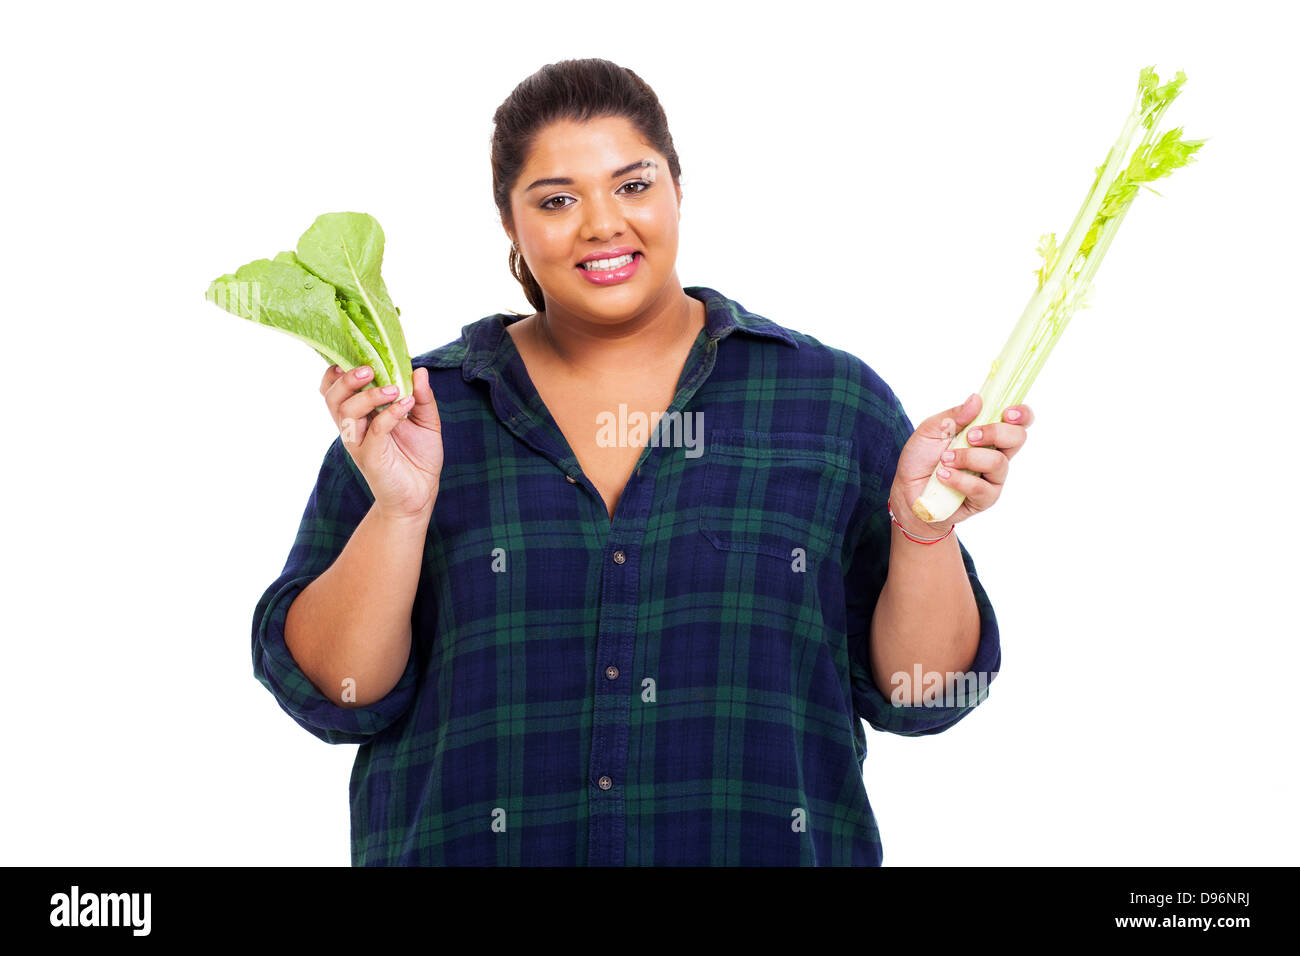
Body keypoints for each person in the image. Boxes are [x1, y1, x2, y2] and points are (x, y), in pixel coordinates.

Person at [251, 57, 1033, 866]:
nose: (601, 224)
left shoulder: (829, 404)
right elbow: (335, 698)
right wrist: (400, 510)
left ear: (677, 191)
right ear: (510, 226)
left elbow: (926, 698)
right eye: (557, 200)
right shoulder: (411, 413)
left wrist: (925, 528)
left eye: (632, 186)